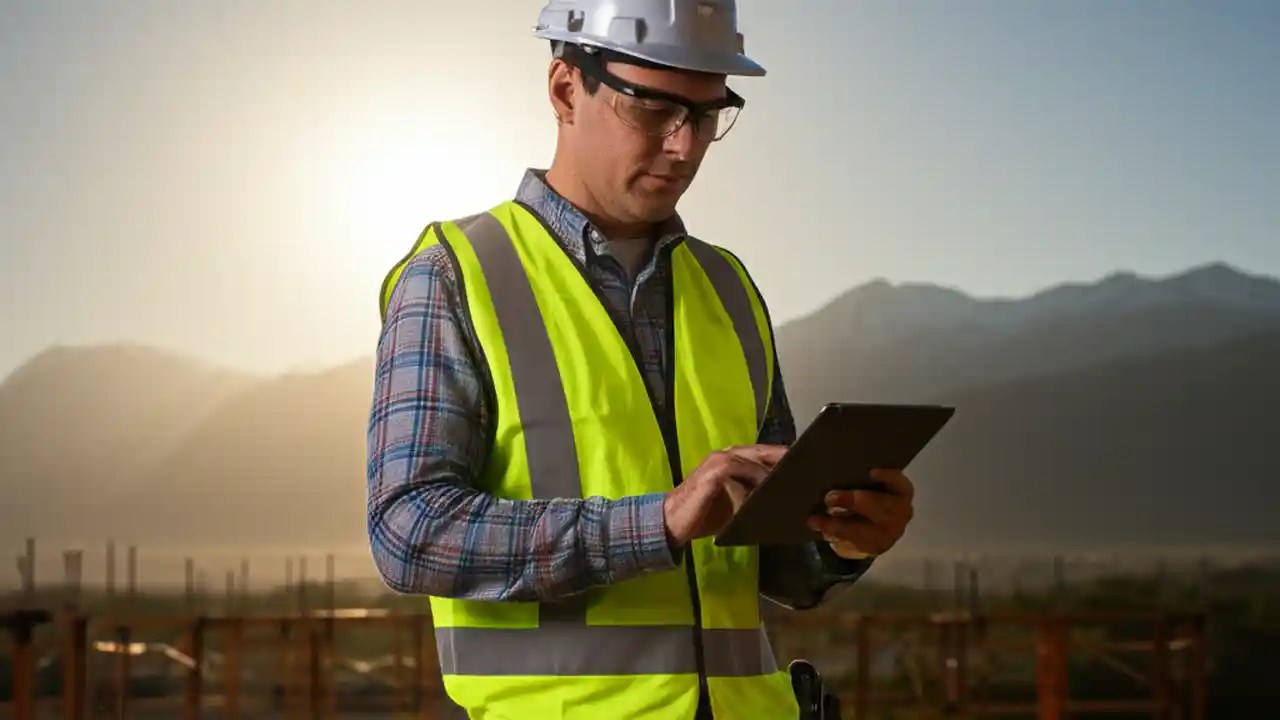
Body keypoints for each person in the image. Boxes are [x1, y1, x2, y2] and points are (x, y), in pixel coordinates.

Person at [366, 2, 916, 718]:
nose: (684, 146)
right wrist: (654, 523)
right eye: (653, 108)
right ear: (566, 88)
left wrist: (842, 538)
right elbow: (409, 532)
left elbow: (772, 561)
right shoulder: (455, 275)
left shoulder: (729, 289)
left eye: (708, 113)